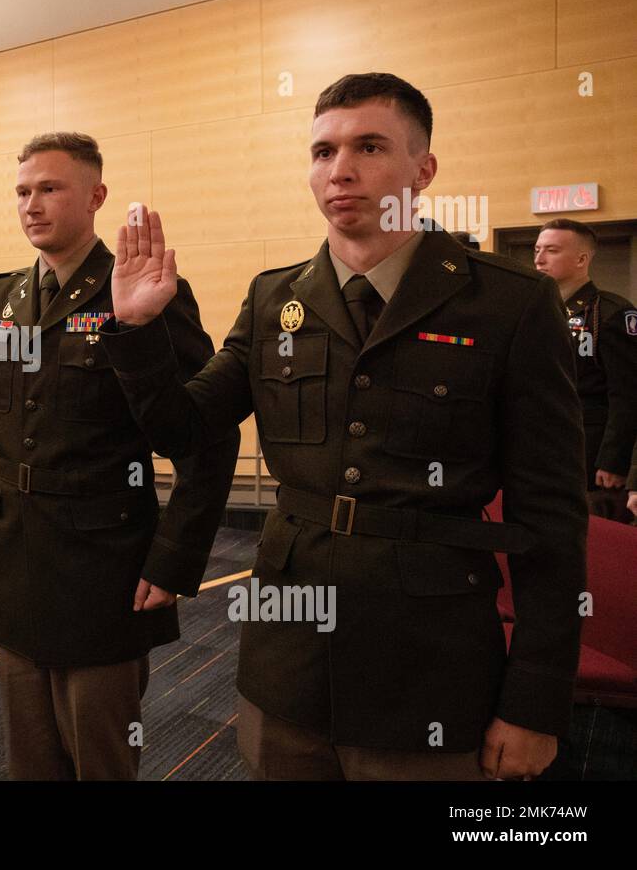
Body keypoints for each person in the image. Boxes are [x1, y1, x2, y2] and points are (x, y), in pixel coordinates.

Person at [101, 73, 587, 780]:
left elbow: (552, 515)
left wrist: (536, 703)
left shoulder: (508, 303)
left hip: (429, 664)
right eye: (323, 151)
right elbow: (185, 428)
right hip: (288, 656)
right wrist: (138, 330)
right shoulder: (275, 298)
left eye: (368, 146)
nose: (341, 170)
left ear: (423, 170)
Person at [0, 134, 238, 780]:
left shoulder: (145, 293)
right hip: (17, 574)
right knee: (31, 762)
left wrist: (176, 557)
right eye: (21, 191)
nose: (31, 204)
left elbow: (207, 434)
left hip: (107, 574)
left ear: (96, 196)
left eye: (49, 189)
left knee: (100, 758)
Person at [534, 218, 637, 523]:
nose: (539, 258)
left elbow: (627, 394)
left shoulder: (611, 312)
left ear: (581, 259)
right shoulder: (534, 310)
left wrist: (614, 460)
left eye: (551, 250)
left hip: (589, 456)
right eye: (537, 249)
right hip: (540, 451)